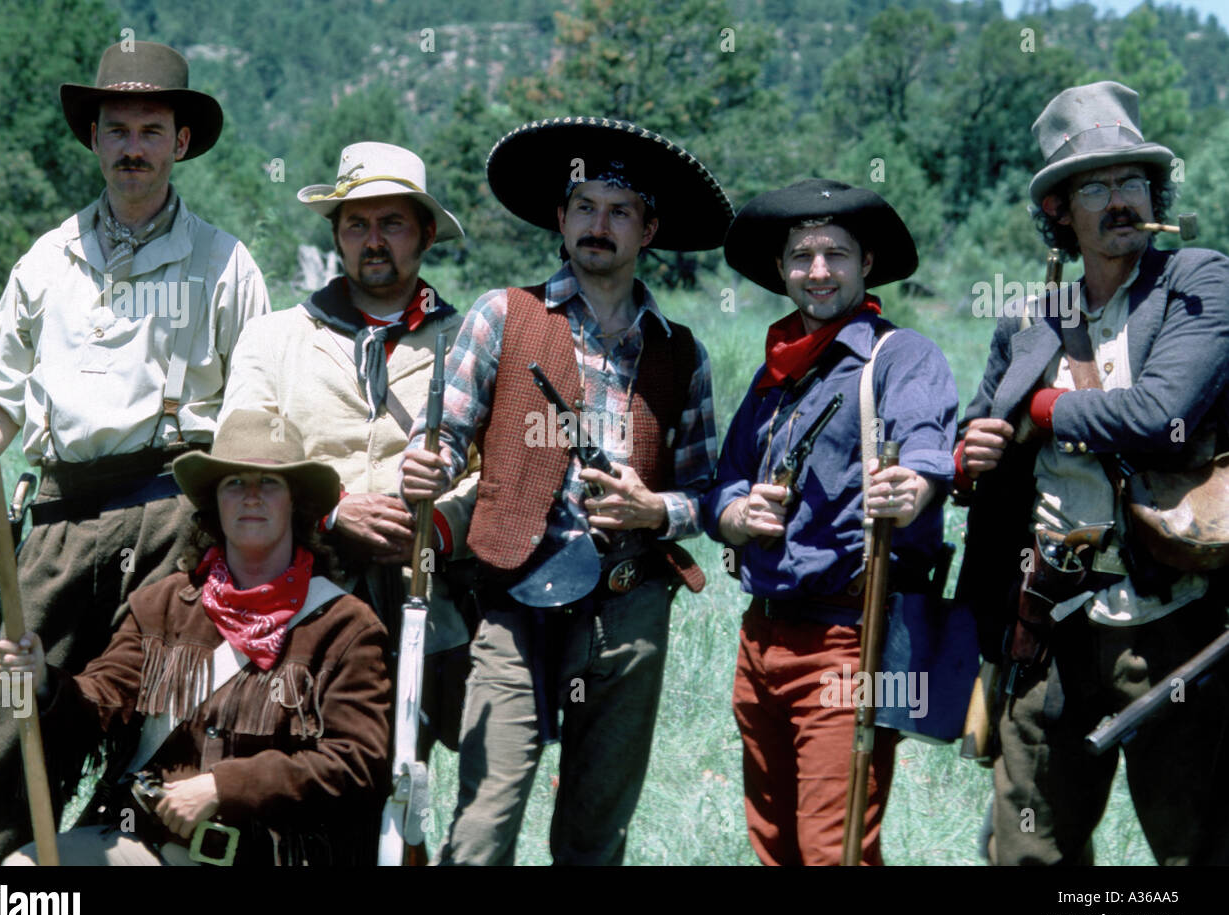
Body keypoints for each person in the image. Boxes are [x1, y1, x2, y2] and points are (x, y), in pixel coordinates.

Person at [0, 41, 270, 865]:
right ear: (93, 139)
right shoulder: (46, 263)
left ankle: (124, 862)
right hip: (56, 522)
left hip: (174, 520)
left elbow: (255, 416)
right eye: (116, 129)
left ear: (181, 142)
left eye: (152, 129)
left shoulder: (226, 265)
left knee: (162, 727)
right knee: (18, 717)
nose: (133, 147)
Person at [401, 116, 732, 865]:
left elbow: (708, 493)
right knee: (486, 818)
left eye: (620, 211)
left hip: (629, 602)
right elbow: (445, 438)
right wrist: (426, 466)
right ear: (560, 217)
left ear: (648, 229)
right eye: (584, 205)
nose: (599, 225)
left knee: (595, 831)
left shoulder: (682, 353)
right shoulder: (503, 316)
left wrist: (657, 510)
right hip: (514, 596)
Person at [953, 81, 1229, 865]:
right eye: (1096, 186)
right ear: (1060, 213)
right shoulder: (1029, 321)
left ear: (1156, 195)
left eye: (1133, 181)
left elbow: (1156, 415)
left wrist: (1037, 414)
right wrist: (968, 459)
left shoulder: (1200, 282)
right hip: (1049, 622)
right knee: (1026, 852)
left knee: (1195, 850)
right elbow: (980, 433)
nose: (1120, 199)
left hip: (1178, 623)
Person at [0, 409, 391, 865]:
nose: (252, 497)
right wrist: (45, 681)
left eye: (270, 483)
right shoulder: (161, 606)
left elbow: (359, 764)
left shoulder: (346, 627)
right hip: (154, 847)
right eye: (235, 483)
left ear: (295, 503)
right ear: (214, 504)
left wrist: (226, 787)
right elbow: (103, 700)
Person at [702, 179, 957, 865]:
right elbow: (721, 484)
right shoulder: (773, 377)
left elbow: (929, 451)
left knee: (832, 848)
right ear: (782, 269)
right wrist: (734, 513)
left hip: (853, 637)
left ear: (866, 263)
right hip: (761, 638)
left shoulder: (899, 357)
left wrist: (914, 487)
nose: (818, 272)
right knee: (775, 844)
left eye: (835, 254)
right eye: (802, 256)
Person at [219, 142, 477, 757]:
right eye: (357, 224)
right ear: (336, 236)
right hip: (297, 593)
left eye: (392, 223)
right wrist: (331, 512)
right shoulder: (273, 338)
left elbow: (498, 471)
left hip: (428, 597)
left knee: (407, 783)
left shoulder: (470, 341)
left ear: (426, 234)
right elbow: (242, 458)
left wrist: (439, 524)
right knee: (288, 769)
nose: (374, 240)